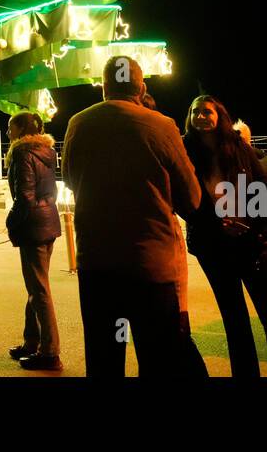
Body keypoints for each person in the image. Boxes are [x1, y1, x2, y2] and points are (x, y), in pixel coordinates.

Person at [62, 56, 208, 378]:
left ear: (103, 87)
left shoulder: (77, 123)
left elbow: (70, 180)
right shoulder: (161, 125)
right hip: (150, 269)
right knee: (157, 360)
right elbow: (193, 199)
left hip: (97, 266)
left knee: (105, 357)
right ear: (141, 88)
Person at [184, 95, 267, 378]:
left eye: (207, 112)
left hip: (251, 242)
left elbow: (263, 185)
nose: (201, 117)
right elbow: (183, 198)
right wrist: (215, 224)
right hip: (213, 246)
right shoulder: (185, 152)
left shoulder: (238, 147)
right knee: (234, 318)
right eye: (195, 112)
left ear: (219, 115)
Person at [5, 111, 63, 371]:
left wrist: (10, 221)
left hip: (32, 227)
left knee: (39, 290)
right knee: (36, 285)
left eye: (11, 128)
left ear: (21, 130)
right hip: (48, 221)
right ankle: (32, 341)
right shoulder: (46, 151)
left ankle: (50, 351)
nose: (8, 133)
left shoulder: (22, 153)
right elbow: (50, 190)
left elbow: (25, 196)